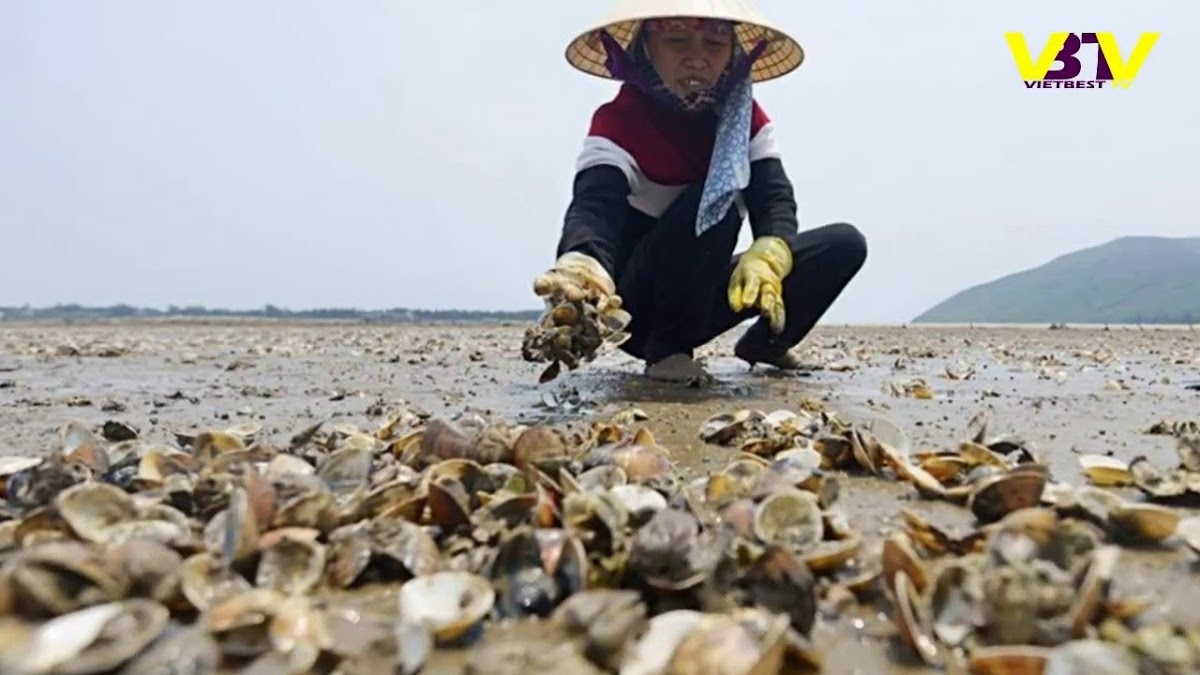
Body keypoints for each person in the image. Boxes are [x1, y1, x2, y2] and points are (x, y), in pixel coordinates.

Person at [540, 0, 867, 382]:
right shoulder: (618, 123)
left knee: (844, 245)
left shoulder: (745, 120)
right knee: (717, 202)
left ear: (733, 53)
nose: (697, 59)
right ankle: (668, 352)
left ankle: (767, 343)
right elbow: (595, 206)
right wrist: (583, 262)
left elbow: (773, 198)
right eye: (677, 41)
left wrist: (769, 253)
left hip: (701, 296)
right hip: (636, 311)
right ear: (645, 47)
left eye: (714, 45)